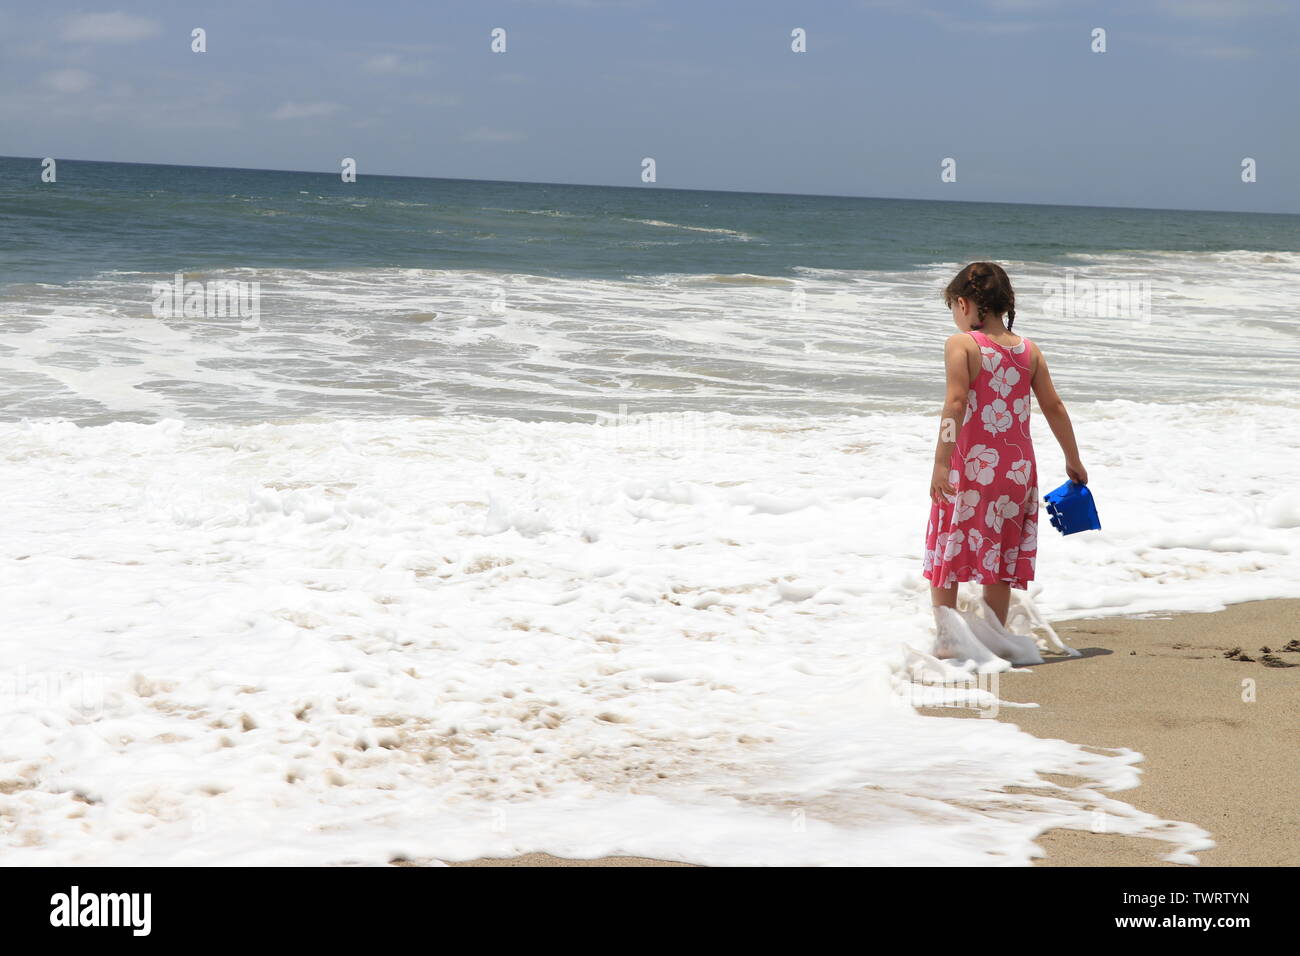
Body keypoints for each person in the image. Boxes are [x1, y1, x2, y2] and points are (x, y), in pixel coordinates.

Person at [922, 262, 1087, 633]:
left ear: (963, 304)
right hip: (1016, 471)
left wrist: (941, 463)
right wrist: (1072, 459)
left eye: (952, 308)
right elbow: (1054, 406)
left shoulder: (961, 344)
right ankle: (995, 638)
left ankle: (948, 638)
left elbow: (955, 403)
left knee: (948, 550)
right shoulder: (1029, 351)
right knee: (998, 554)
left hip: (970, 468)